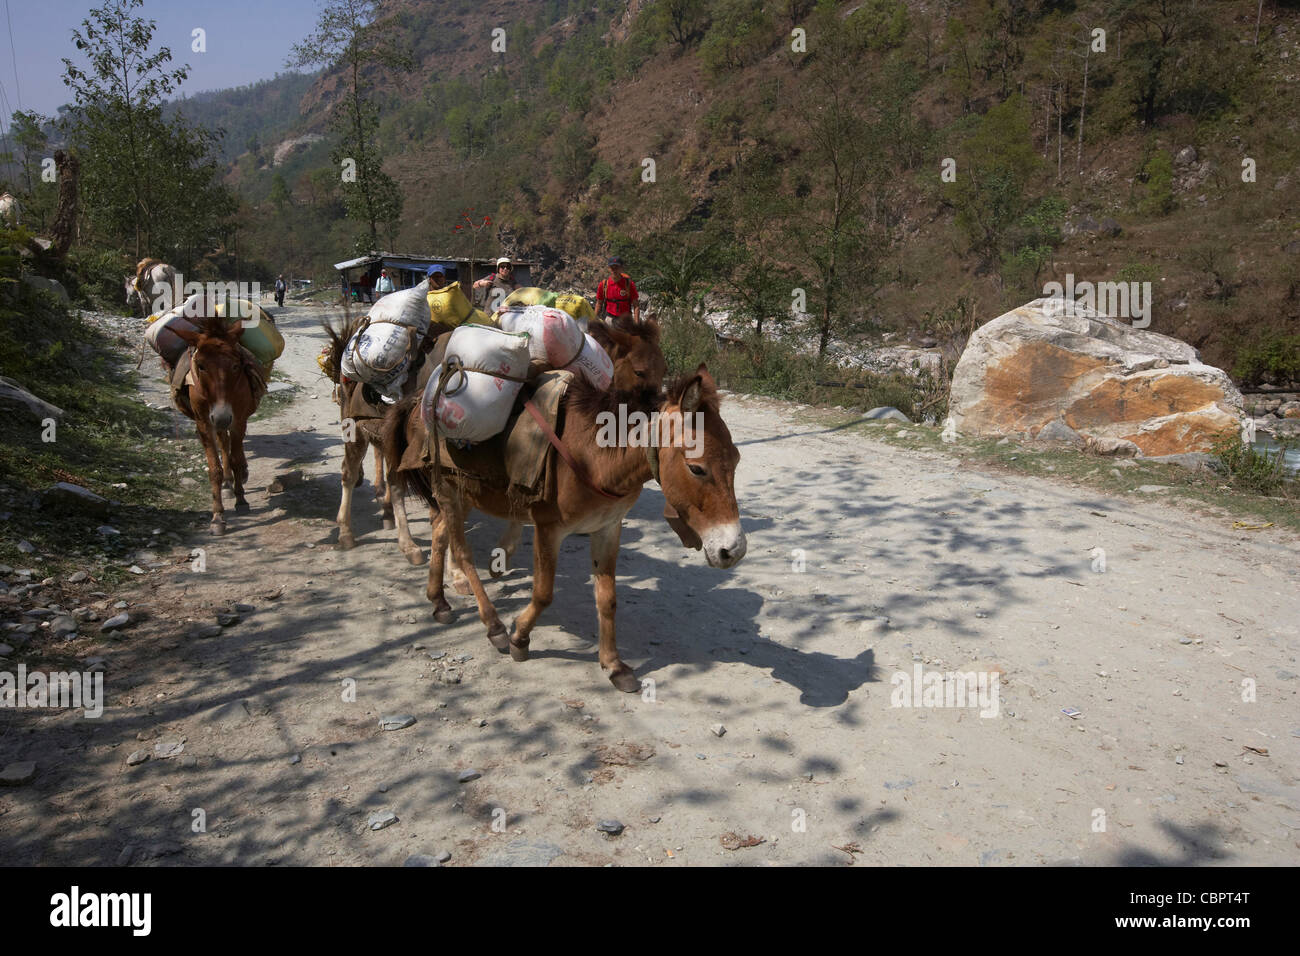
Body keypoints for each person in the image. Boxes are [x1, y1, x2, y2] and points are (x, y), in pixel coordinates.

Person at [595, 256, 640, 330]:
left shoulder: (629, 284)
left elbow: (636, 306)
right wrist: (594, 319)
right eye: (612, 267)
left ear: (621, 268)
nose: (614, 269)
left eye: (617, 267)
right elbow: (599, 303)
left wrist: (636, 324)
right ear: (608, 268)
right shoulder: (604, 284)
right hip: (609, 319)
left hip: (625, 321)